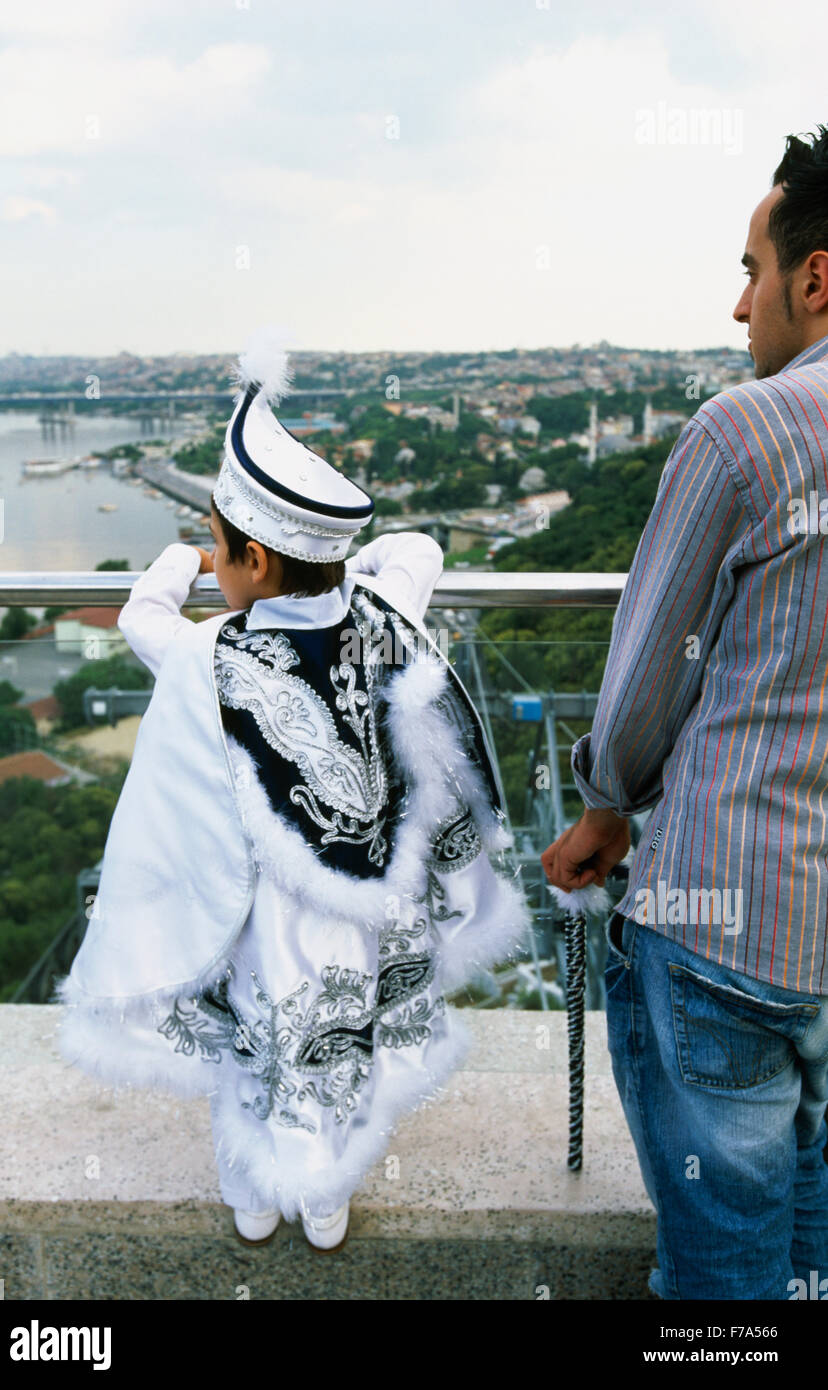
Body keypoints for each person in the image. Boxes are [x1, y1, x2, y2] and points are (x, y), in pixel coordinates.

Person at [55, 331, 530, 1254]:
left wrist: (174, 566)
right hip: (363, 904)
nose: (213, 559)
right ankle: (326, 1203)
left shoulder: (209, 656)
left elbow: (141, 618)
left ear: (254, 565)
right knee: (341, 1040)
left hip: (257, 909)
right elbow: (417, 550)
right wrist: (345, 567)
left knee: (256, 1045)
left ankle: (253, 1199)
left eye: (220, 547)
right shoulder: (386, 621)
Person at [541, 125, 828, 1300]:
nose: (736, 305)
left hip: (729, 921)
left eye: (750, 270)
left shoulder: (748, 431)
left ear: (817, 277)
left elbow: (649, 669)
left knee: (722, 1279)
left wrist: (605, 801)